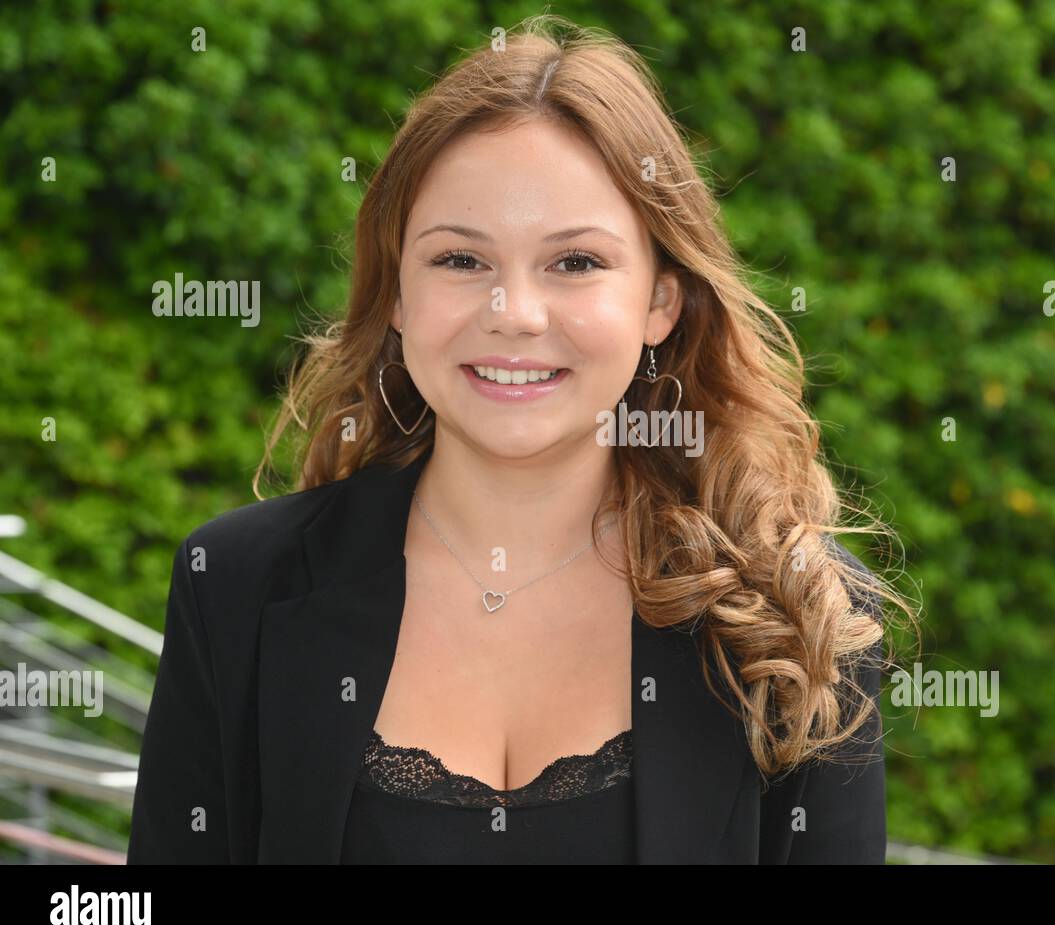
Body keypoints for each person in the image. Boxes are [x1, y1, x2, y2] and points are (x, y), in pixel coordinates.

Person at [127, 14, 912, 865]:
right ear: (395, 293)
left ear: (662, 300)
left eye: (575, 262)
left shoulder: (792, 617)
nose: (514, 315)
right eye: (461, 261)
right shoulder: (236, 587)